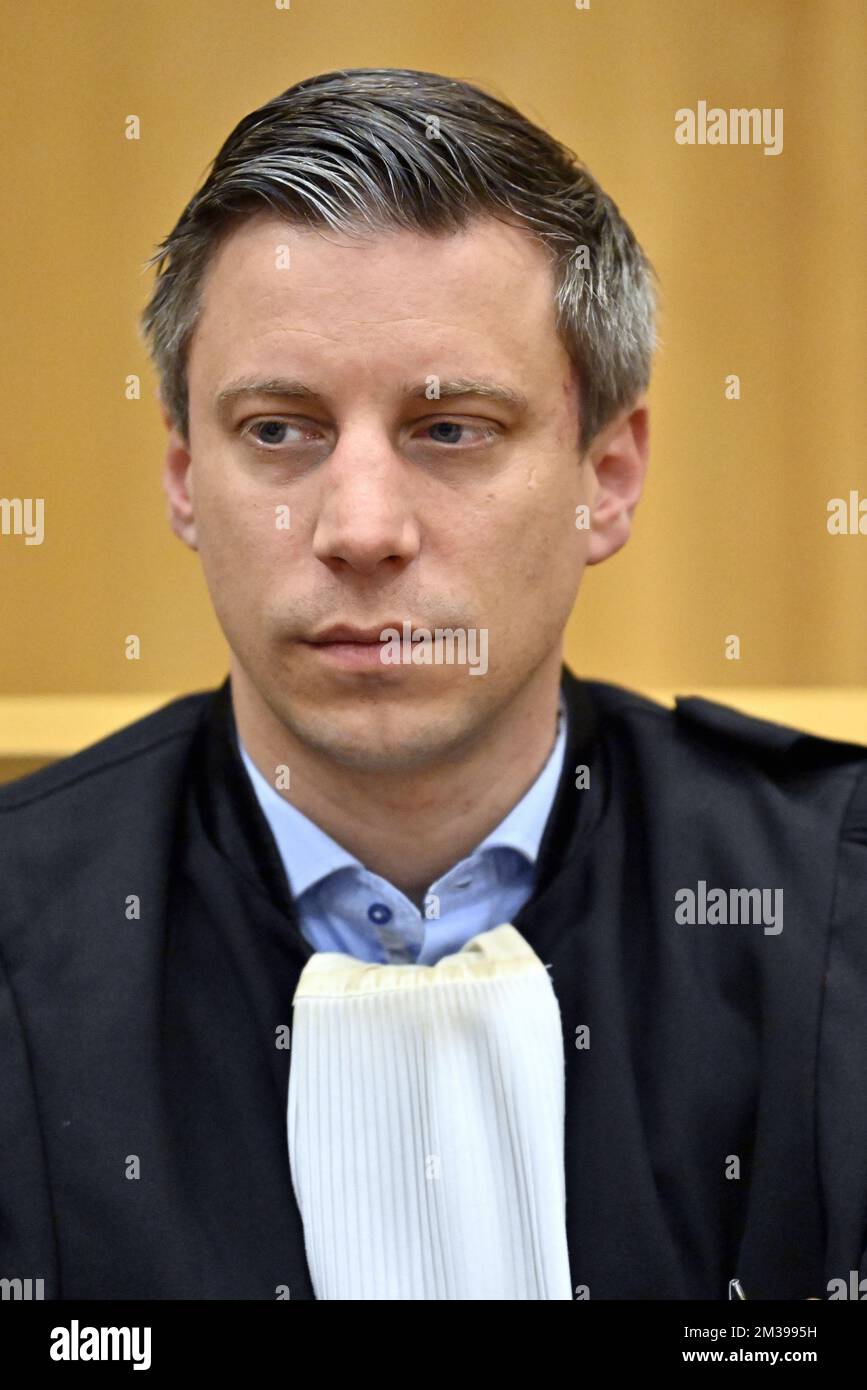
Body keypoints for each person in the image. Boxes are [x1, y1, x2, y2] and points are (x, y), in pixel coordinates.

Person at [2, 66, 866, 1302]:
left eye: (450, 428)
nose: (360, 528)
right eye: (280, 429)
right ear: (187, 478)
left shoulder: (839, 910)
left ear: (605, 479)